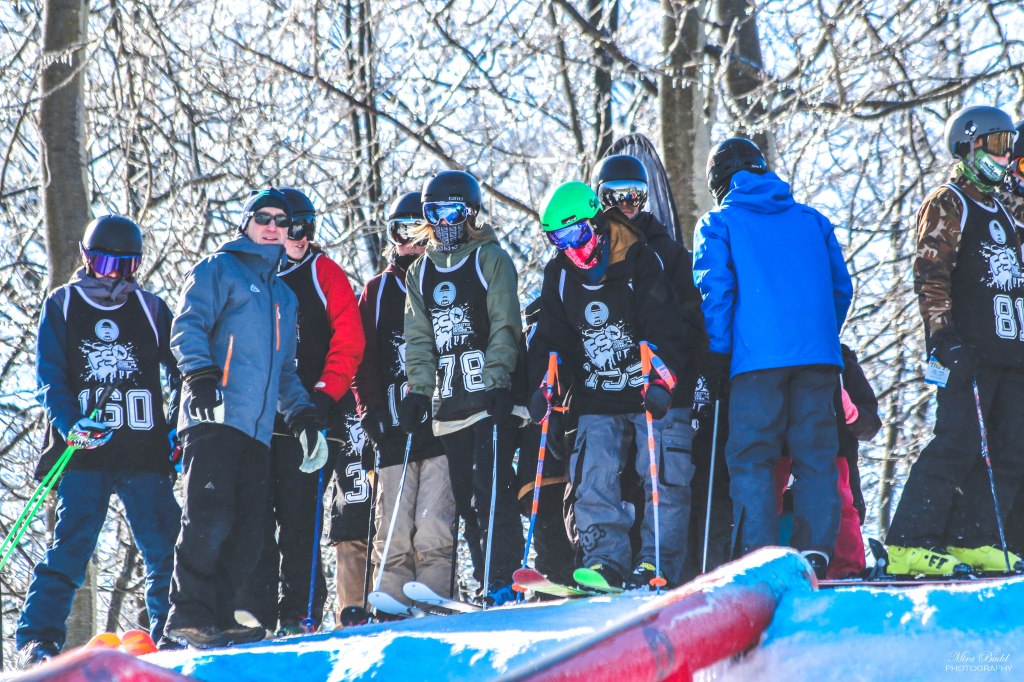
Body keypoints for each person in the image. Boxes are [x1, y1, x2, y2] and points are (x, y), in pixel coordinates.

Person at [15, 215, 182, 667]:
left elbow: (182, 369)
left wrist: (176, 427)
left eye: (125, 266)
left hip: (143, 449)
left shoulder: (150, 308)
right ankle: (37, 639)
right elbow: (50, 376)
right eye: (106, 264)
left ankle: (171, 628)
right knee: (72, 545)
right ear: (87, 259)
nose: (114, 276)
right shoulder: (64, 304)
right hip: (86, 452)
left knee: (164, 542)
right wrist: (69, 422)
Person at [165, 187, 326, 648]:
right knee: (209, 516)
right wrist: (200, 374)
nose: (273, 227)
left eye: (282, 221)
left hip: (257, 431)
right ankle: (187, 614)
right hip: (213, 416)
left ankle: (220, 617)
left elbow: (285, 371)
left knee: (251, 530)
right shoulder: (219, 268)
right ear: (246, 223)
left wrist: (302, 416)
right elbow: (188, 326)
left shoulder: (284, 297)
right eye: (264, 218)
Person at [693, 137, 853, 578]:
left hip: (755, 363)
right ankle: (815, 552)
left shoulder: (719, 222)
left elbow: (715, 292)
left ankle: (759, 556)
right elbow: (841, 288)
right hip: (817, 359)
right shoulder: (813, 221)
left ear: (719, 181)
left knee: (752, 459)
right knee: (815, 457)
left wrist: (718, 353)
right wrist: (819, 337)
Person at [529, 181, 693, 589]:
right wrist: (542, 385)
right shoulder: (560, 275)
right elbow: (551, 338)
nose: (571, 246)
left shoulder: (638, 259)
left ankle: (656, 563)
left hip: (648, 388)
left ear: (597, 223)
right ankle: (605, 562)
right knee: (593, 474)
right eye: (559, 239)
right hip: (597, 393)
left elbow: (667, 326)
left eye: (577, 233)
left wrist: (663, 380)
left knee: (661, 475)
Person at [886, 105, 1024, 574]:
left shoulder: (1003, 209)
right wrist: (942, 337)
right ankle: (908, 542)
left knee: (1010, 449)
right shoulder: (950, 202)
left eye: (1009, 146)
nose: (1004, 157)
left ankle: (974, 538)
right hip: (968, 349)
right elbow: (931, 275)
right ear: (969, 144)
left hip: (1010, 350)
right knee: (958, 442)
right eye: (997, 145)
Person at [400, 170, 525, 605]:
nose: (444, 222)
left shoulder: (490, 259)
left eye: (453, 212)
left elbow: (506, 322)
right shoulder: (420, 272)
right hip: (451, 404)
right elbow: (418, 338)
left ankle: (505, 577)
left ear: (470, 213)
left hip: (490, 397)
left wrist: (499, 379)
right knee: (468, 499)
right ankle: (485, 579)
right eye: (435, 212)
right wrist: (419, 390)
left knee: (493, 490)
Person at [243, 187, 364, 634]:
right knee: (257, 515)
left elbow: (349, 341)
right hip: (264, 418)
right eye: (288, 227)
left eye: (305, 228)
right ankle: (256, 611)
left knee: (299, 514)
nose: (297, 237)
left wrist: (324, 396)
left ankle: (301, 611)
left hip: (314, 416)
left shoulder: (323, 272)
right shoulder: (255, 277)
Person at [352, 191, 456, 605]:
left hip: (440, 425)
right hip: (394, 428)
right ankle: (391, 601)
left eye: (418, 234)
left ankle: (433, 598)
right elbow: (362, 358)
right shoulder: (378, 291)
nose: (410, 244)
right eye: (401, 233)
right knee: (392, 527)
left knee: (433, 526)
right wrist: (371, 409)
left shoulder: (445, 280)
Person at [773, 343, 881, 578]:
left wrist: (851, 413)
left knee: (838, 505)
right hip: (780, 461)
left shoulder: (841, 362)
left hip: (834, 456)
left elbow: (871, 425)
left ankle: (846, 571)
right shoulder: (771, 356)